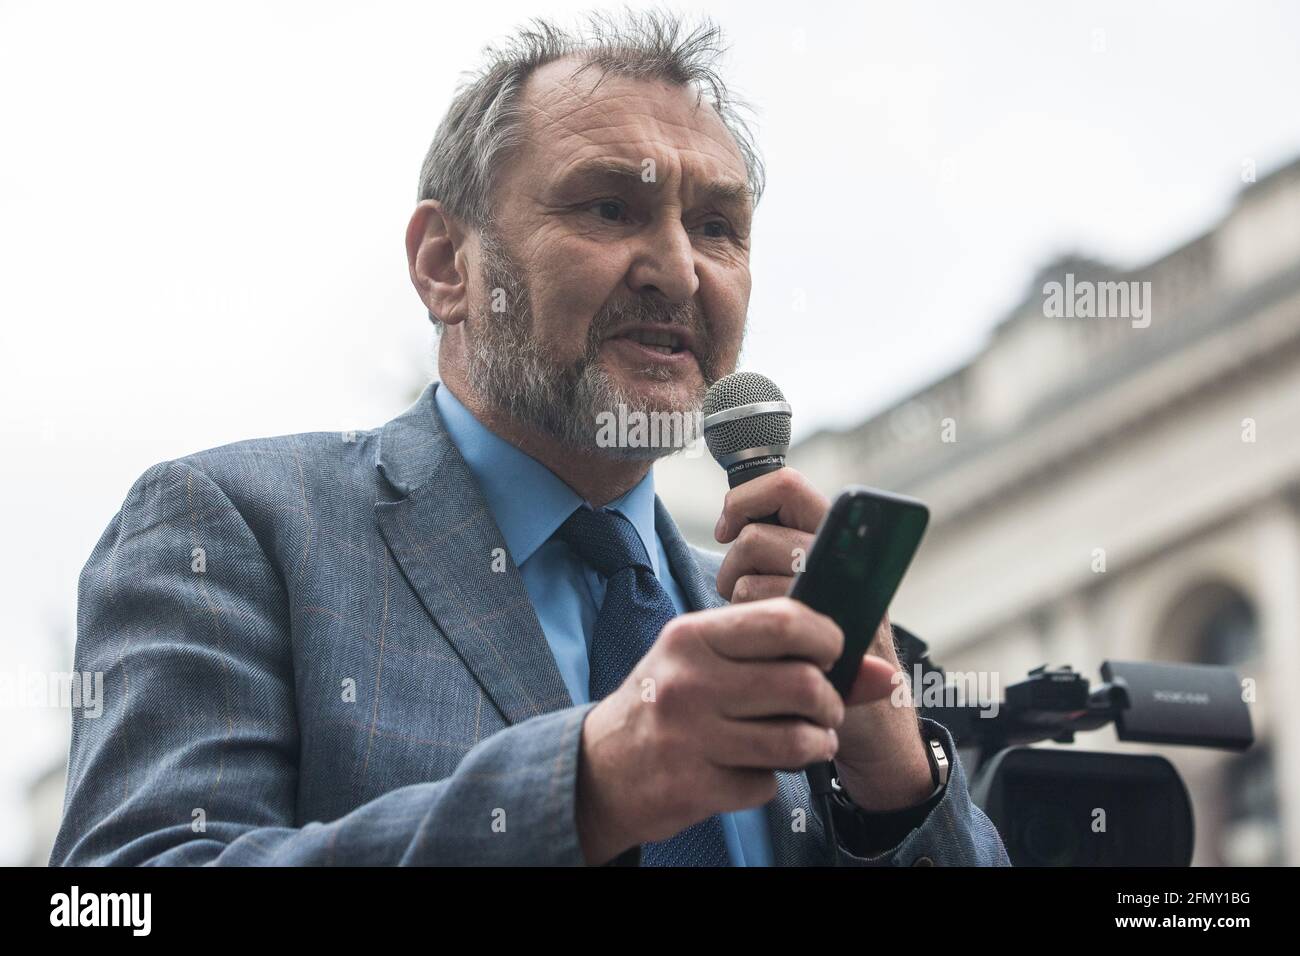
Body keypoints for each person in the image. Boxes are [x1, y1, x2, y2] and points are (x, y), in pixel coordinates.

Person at [50, 11, 1009, 867]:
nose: (678, 271)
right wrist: (584, 790)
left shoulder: (803, 631)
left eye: (718, 227)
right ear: (444, 264)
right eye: (608, 207)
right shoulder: (235, 530)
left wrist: (899, 788)